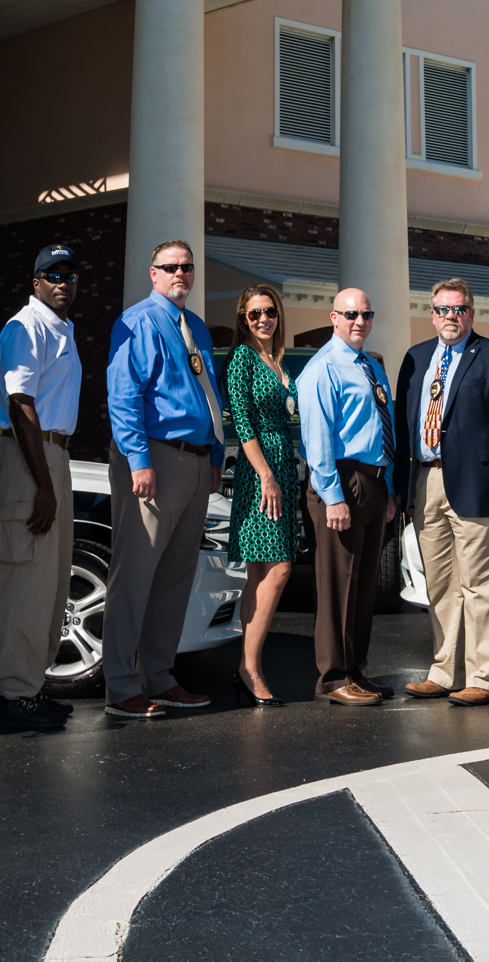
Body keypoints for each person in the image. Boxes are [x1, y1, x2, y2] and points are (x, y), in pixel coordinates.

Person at [102, 239, 225, 719]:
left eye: (186, 267)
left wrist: (214, 453)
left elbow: (209, 394)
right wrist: (138, 461)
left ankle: (159, 676)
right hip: (155, 458)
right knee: (134, 577)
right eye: (170, 267)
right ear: (153, 273)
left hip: (195, 462)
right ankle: (121, 686)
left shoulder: (196, 327)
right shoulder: (136, 322)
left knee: (175, 578)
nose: (180, 274)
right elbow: (123, 396)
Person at [392, 277, 489, 707]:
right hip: (425, 480)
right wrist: (403, 488)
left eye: (459, 309)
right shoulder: (415, 358)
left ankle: (484, 677)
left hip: (479, 485)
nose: (451, 316)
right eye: (444, 309)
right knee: (441, 585)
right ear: (432, 314)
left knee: (482, 585)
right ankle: (444, 672)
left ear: (472, 313)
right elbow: (402, 427)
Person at [0, 243, 85, 734]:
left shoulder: (60, 327)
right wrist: (44, 484)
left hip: (52, 454)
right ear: (36, 282)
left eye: (70, 274)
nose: (63, 282)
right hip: (30, 456)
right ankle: (12, 695)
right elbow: (20, 403)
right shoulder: (26, 327)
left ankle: (29, 686)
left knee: (49, 581)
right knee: (25, 581)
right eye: (53, 274)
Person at [297, 287, 399, 705]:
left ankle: (354, 669)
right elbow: (317, 439)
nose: (360, 322)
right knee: (338, 584)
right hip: (341, 481)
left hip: (373, 482)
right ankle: (332, 677)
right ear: (334, 317)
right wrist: (333, 496)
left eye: (366, 315)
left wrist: (387, 488)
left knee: (363, 585)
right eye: (351, 314)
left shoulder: (370, 366)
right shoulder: (323, 368)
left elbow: (381, 427)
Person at [222, 283, 300, 706]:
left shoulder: (277, 360)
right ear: (243, 318)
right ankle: (250, 670)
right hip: (260, 472)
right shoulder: (243, 358)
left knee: (260, 572)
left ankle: (247, 667)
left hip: (282, 465)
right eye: (254, 314)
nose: (263, 319)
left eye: (269, 311)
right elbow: (242, 422)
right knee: (279, 567)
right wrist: (266, 475)